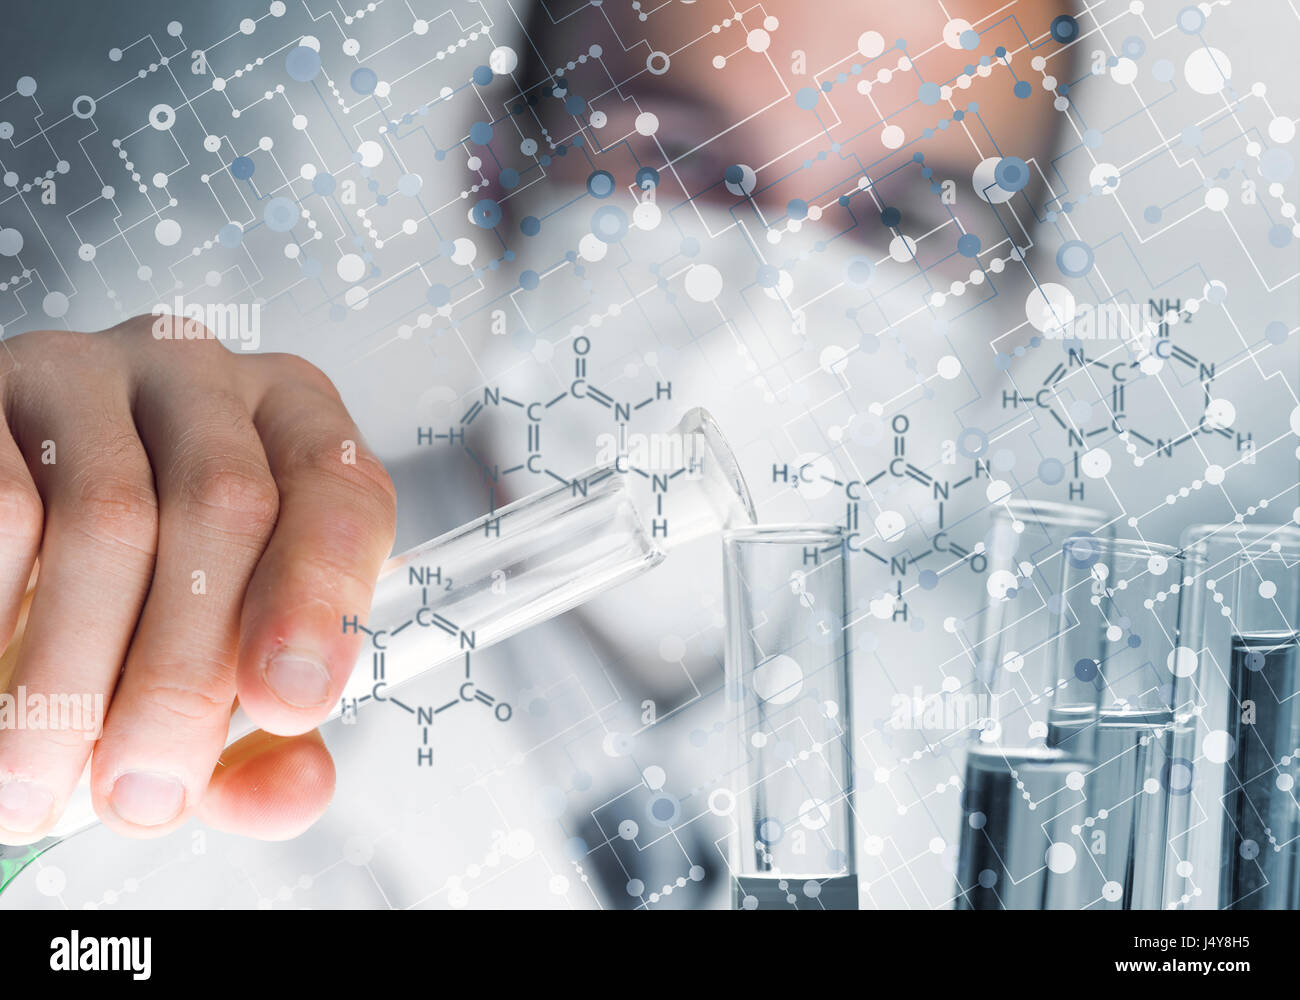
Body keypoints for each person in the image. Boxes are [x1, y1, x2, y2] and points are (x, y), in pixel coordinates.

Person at [1, 0, 1290, 908]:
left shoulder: (1135, 809)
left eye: (902, 219)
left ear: (1008, 310)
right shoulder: (153, 677)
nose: (768, 300)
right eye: (672, 160)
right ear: (497, 173)